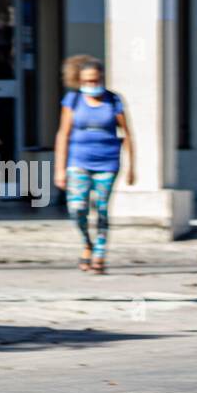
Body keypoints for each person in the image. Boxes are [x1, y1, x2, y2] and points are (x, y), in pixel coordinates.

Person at [53, 55, 135, 273]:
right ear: (79, 81)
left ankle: (99, 252)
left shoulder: (114, 100)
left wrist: (132, 166)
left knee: (101, 208)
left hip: (107, 162)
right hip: (78, 161)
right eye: (87, 81)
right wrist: (59, 168)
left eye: (96, 80)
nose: (92, 85)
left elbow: (127, 134)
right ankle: (86, 243)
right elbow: (63, 134)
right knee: (77, 208)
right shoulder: (73, 100)